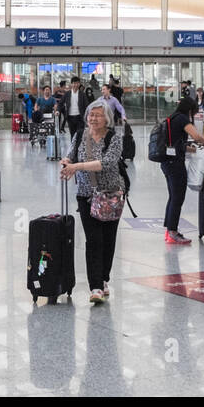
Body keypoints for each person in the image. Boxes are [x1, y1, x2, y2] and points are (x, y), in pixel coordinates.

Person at [60, 99, 125, 304]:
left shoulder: (114, 138)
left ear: (106, 118)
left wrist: (77, 167)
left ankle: (104, 278)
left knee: (108, 239)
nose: (93, 118)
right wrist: (66, 162)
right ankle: (95, 286)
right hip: (86, 195)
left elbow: (106, 163)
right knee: (93, 240)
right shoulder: (80, 135)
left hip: (110, 195)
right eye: (90, 114)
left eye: (97, 115)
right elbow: (70, 155)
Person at [159, 98, 204, 246]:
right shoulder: (182, 119)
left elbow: (177, 144)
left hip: (166, 162)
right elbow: (196, 136)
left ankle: (169, 230)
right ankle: (173, 232)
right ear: (190, 109)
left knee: (173, 197)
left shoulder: (172, 117)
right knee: (178, 198)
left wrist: (194, 150)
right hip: (175, 164)